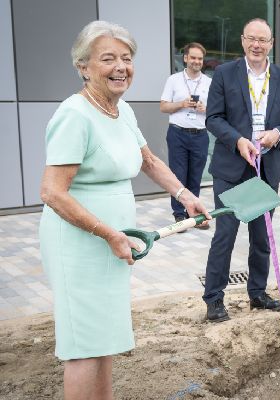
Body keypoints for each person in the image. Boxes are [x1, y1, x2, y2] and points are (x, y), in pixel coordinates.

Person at [39, 21, 210, 399]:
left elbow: (147, 160)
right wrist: (108, 233)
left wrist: (185, 195)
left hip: (115, 244)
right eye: (108, 59)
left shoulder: (122, 110)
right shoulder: (75, 115)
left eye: (127, 58)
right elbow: (52, 192)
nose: (121, 66)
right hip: (81, 244)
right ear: (83, 66)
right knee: (84, 344)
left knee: (105, 337)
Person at [203, 18, 280, 322]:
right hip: (232, 167)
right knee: (226, 235)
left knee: (262, 237)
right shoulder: (224, 74)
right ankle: (214, 299)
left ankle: (257, 293)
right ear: (243, 41)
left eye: (263, 40)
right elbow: (214, 118)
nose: (257, 45)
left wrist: (277, 134)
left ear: (271, 44)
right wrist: (239, 140)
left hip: (266, 168)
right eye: (251, 39)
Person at [159, 42, 212, 228]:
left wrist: (204, 108)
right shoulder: (173, 80)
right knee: (178, 175)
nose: (197, 61)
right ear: (186, 58)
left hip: (200, 135)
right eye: (193, 58)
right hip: (178, 134)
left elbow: (216, 111)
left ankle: (195, 215)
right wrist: (181, 104)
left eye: (200, 58)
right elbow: (163, 106)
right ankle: (179, 215)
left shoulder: (208, 82)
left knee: (195, 176)